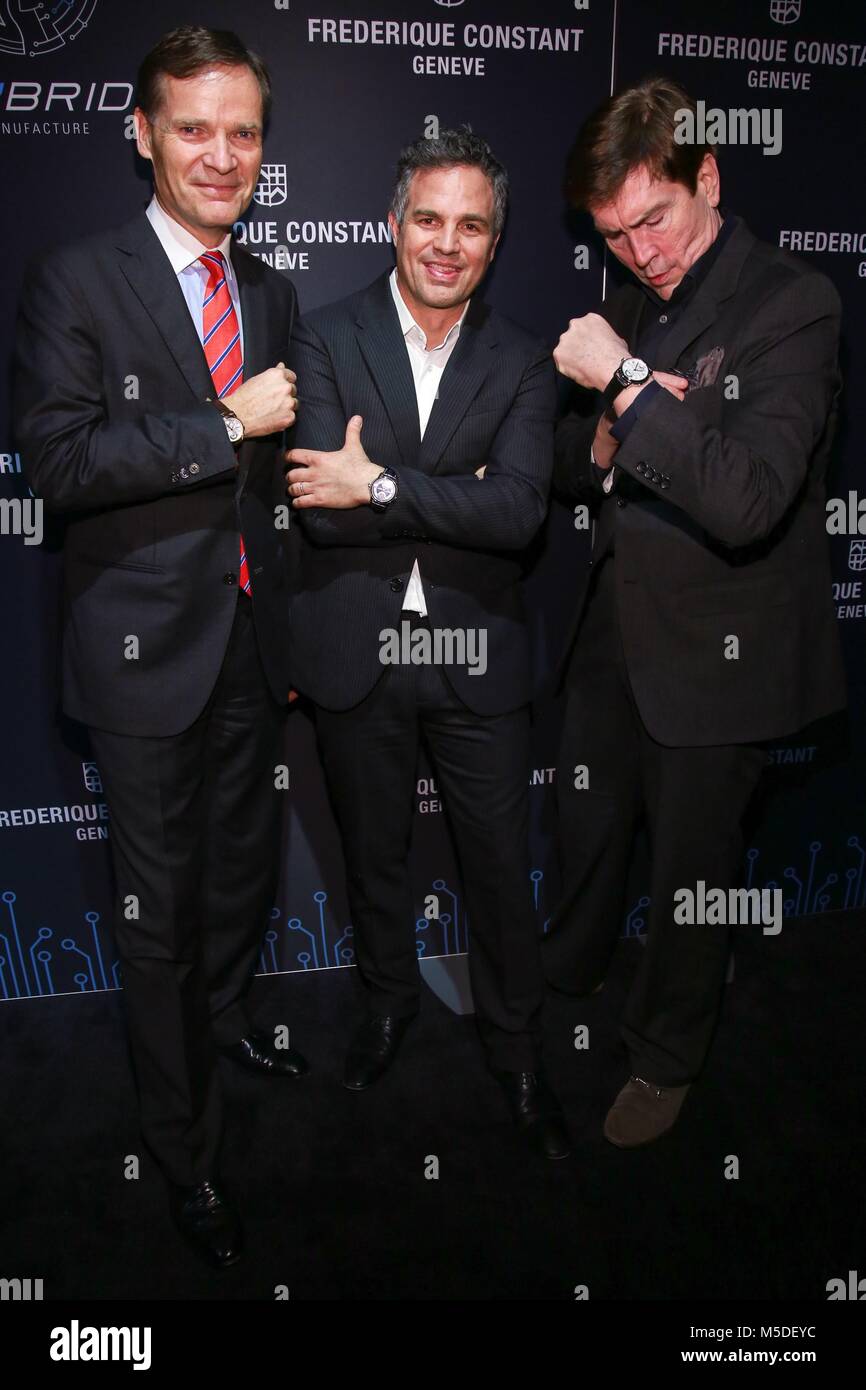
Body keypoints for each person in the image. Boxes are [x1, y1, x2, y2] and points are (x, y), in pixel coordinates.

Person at [13, 26, 303, 1267]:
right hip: (138, 650)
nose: (220, 154)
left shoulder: (272, 288)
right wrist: (219, 421)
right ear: (142, 134)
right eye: (193, 128)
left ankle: (228, 1016)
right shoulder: (74, 278)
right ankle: (185, 1152)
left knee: (240, 869)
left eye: (241, 131)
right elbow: (63, 464)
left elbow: (277, 476)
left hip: (248, 636)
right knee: (159, 911)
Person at [547, 76, 846, 1147]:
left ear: (705, 175)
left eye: (654, 220)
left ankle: (665, 1058)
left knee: (689, 876)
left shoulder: (792, 302)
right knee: (584, 831)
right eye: (615, 235)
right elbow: (570, 464)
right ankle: (566, 974)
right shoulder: (630, 293)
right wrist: (601, 431)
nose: (640, 252)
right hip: (610, 635)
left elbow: (747, 499)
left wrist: (624, 386)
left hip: (721, 657)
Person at [284, 128, 569, 1159]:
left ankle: (519, 1050)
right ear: (393, 223)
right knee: (374, 859)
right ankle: (387, 1004)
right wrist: (459, 495)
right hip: (354, 646)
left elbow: (523, 515)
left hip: (476, 653)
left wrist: (388, 487)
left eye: (472, 226)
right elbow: (319, 508)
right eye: (430, 219)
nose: (447, 243)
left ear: (492, 244)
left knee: (498, 869)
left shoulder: (524, 360)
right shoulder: (322, 335)